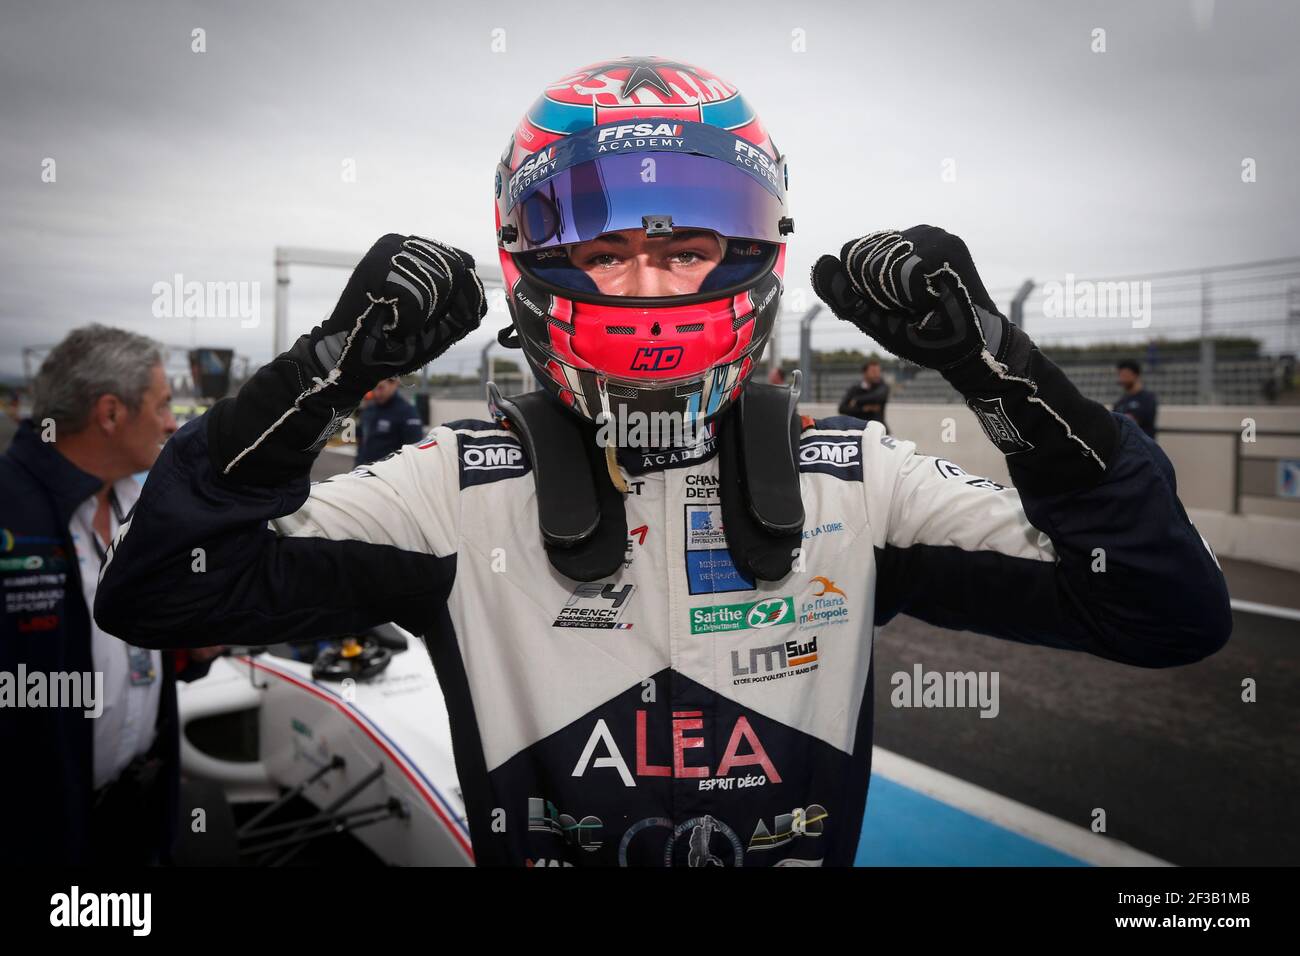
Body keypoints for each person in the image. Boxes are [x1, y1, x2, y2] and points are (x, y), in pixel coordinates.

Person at [96, 56, 1231, 868]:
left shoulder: (853, 472)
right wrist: (325, 369)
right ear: (536, 258)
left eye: (685, 251)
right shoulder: (454, 483)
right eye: (605, 252)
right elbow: (161, 589)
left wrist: (998, 363)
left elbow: (1163, 609)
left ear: (749, 249)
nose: (649, 290)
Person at [0, 325, 216, 865]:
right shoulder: (9, 509)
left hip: (138, 813)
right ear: (111, 413)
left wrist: (190, 650)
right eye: (164, 405)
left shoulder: (141, 502)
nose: (173, 423)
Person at [355, 375, 425, 465]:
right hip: (364, 470)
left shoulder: (407, 412)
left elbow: (414, 451)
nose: (376, 393)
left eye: (381, 388)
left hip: (390, 473)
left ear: (394, 384)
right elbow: (361, 439)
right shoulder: (370, 409)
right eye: (374, 388)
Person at [838, 358, 890, 428]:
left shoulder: (882, 387)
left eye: (878, 371)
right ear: (864, 373)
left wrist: (857, 400)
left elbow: (878, 396)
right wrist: (863, 409)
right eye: (873, 371)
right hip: (859, 431)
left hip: (879, 431)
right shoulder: (855, 388)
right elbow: (842, 408)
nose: (877, 374)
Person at [1114, 359, 1158, 439]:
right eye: (1120, 375)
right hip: (1124, 448)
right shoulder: (1120, 402)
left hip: (1143, 447)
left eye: (1125, 375)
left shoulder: (1147, 398)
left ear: (1136, 375)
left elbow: (1140, 420)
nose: (1122, 379)